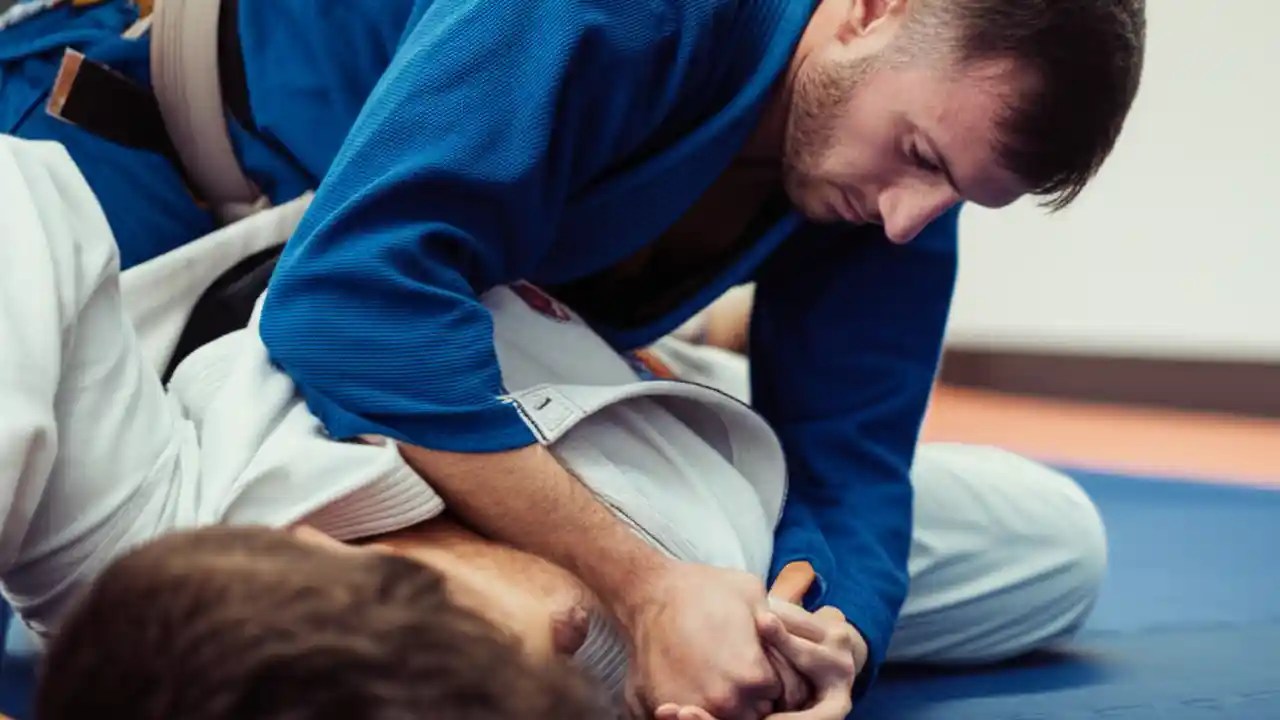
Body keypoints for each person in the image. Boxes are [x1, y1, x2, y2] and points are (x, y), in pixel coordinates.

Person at [2, 0, 1146, 713]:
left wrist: (822, 635)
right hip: (163, 187)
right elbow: (347, 306)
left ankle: (650, 416)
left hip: (475, 328)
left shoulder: (888, 183)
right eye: (917, 158)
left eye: (954, 195)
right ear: (869, 8)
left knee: (1050, 543)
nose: (911, 219)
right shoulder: (623, 10)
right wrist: (647, 586)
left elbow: (851, 464)